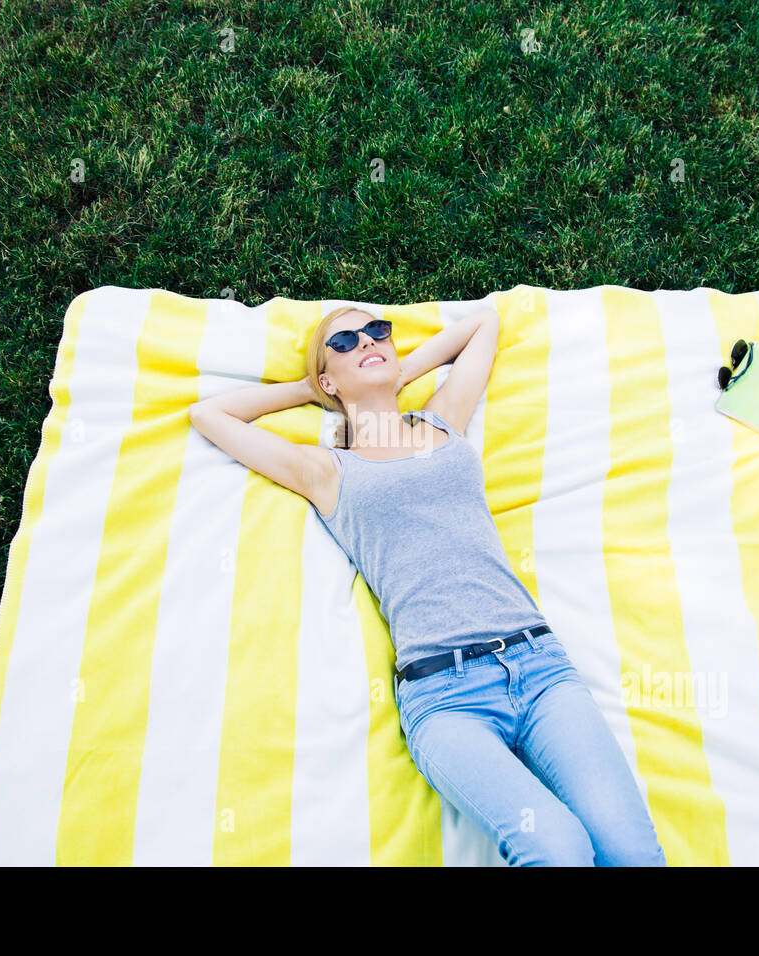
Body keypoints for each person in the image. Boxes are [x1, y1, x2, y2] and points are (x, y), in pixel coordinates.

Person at [187, 304, 667, 866]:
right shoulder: (327, 470)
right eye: (344, 341)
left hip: (539, 666)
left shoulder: (442, 422)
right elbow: (209, 414)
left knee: (631, 851)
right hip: (445, 696)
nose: (367, 341)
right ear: (326, 377)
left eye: (377, 331)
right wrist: (313, 392)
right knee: (558, 847)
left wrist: (393, 373)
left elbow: (485, 324)